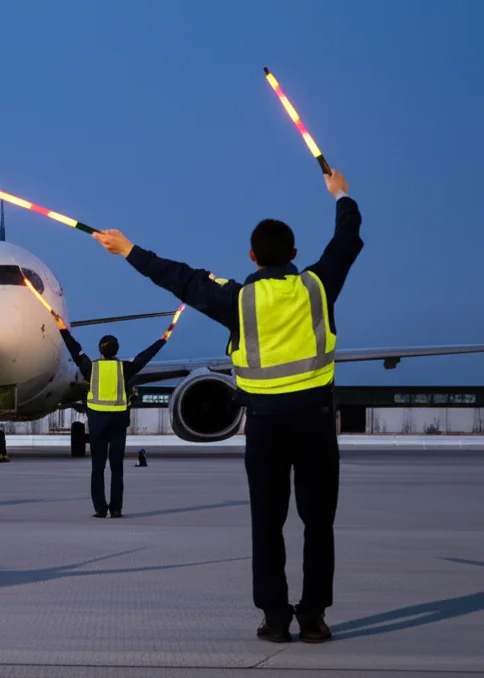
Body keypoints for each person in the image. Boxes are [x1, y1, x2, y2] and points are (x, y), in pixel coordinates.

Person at [91, 169, 358, 643]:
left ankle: (275, 619)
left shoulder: (239, 300)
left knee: (267, 526)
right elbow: (347, 239)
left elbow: (180, 278)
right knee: (318, 526)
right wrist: (341, 195)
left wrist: (128, 249)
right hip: (316, 423)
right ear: (295, 255)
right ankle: (314, 618)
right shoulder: (317, 287)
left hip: (266, 426)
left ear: (252, 256)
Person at [53, 311, 171, 518]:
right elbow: (144, 357)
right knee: (117, 468)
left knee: (97, 467)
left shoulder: (91, 368)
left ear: (100, 350)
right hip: (118, 421)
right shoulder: (124, 368)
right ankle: (116, 508)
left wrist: (62, 328)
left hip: (98, 421)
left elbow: (75, 349)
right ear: (117, 350)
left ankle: (100, 508)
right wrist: (162, 340)